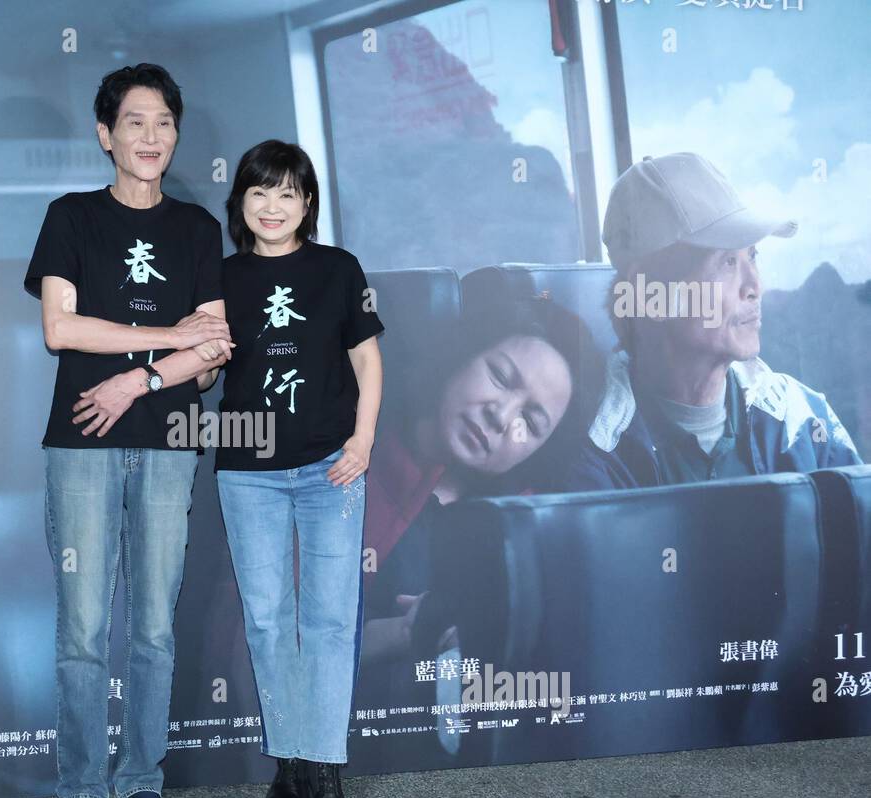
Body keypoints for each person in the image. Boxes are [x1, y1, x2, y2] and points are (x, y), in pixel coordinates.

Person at [22, 63, 234, 798]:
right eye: (135, 123)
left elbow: (212, 356)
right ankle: (80, 786)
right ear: (106, 135)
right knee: (83, 625)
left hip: (170, 441)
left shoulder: (196, 228)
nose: (152, 137)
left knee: (153, 624)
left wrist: (137, 380)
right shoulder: (71, 217)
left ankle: (139, 781)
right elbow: (61, 329)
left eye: (165, 123)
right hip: (82, 444)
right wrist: (174, 336)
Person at [211, 140, 384, 798]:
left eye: (287, 192)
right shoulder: (219, 278)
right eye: (260, 192)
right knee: (267, 618)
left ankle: (326, 774)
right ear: (241, 204)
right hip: (248, 470)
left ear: (307, 203)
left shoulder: (338, 269)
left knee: (331, 620)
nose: (273, 205)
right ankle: (288, 759)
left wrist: (364, 440)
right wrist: (198, 358)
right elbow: (201, 377)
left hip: (330, 466)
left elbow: (367, 359)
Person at [359, 286, 603, 754]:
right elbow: (266, 655)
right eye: (500, 377)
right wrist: (408, 632)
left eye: (531, 422)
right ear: (463, 355)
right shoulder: (346, 463)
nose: (500, 416)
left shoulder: (527, 527)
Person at [553, 152, 861, 491]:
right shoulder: (591, 456)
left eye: (752, 257)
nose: (755, 286)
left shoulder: (802, 420)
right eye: (728, 262)